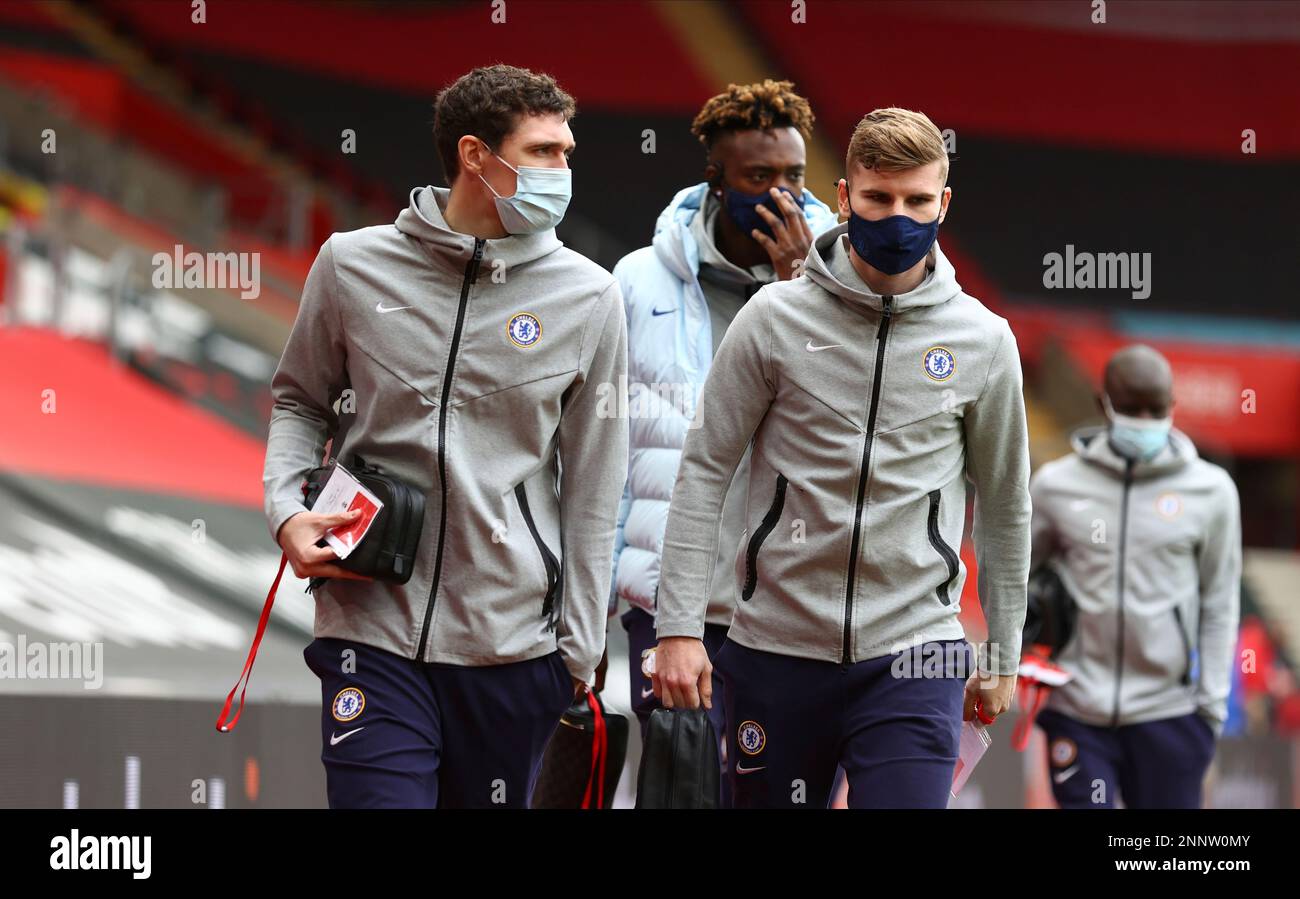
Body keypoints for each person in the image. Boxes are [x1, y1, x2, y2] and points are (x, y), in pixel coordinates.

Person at [262, 64, 628, 809]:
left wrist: (578, 653)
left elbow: (594, 482)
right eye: (543, 153)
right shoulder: (351, 265)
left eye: (566, 152)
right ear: (474, 156)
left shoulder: (590, 297)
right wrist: (286, 510)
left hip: (512, 651)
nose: (563, 171)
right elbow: (298, 401)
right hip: (370, 627)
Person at [651, 107, 1031, 808]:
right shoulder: (774, 318)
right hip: (774, 651)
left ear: (943, 203)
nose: (899, 217)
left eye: (918, 201)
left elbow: (1006, 503)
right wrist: (677, 625)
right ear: (846, 193)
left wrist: (1003, 649)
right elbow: (705, 468)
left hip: (917, 651)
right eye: (879, 198)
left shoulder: (985, 340)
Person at [609, 80, 837, 797]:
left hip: (790, 604)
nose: (780, 193)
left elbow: (843, 426)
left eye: (795, 177)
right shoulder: (639, 280)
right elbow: (604, 446)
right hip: (667, 602)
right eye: (757, 177)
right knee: (688, 787)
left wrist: (801, 284)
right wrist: (595, 602)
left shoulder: (845, 284)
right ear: (715, 177)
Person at [1029, 344, 1241, 809]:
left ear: (1173, 407)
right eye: (1131, 408)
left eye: (1156, 409)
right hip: (1077, 709)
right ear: (1102, 404)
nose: (1144, 420)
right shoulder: (1055, 486)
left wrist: (1210, 709)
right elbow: (1018, 573)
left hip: (1171, 716)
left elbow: (1220, 601)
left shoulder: (1212, 492)